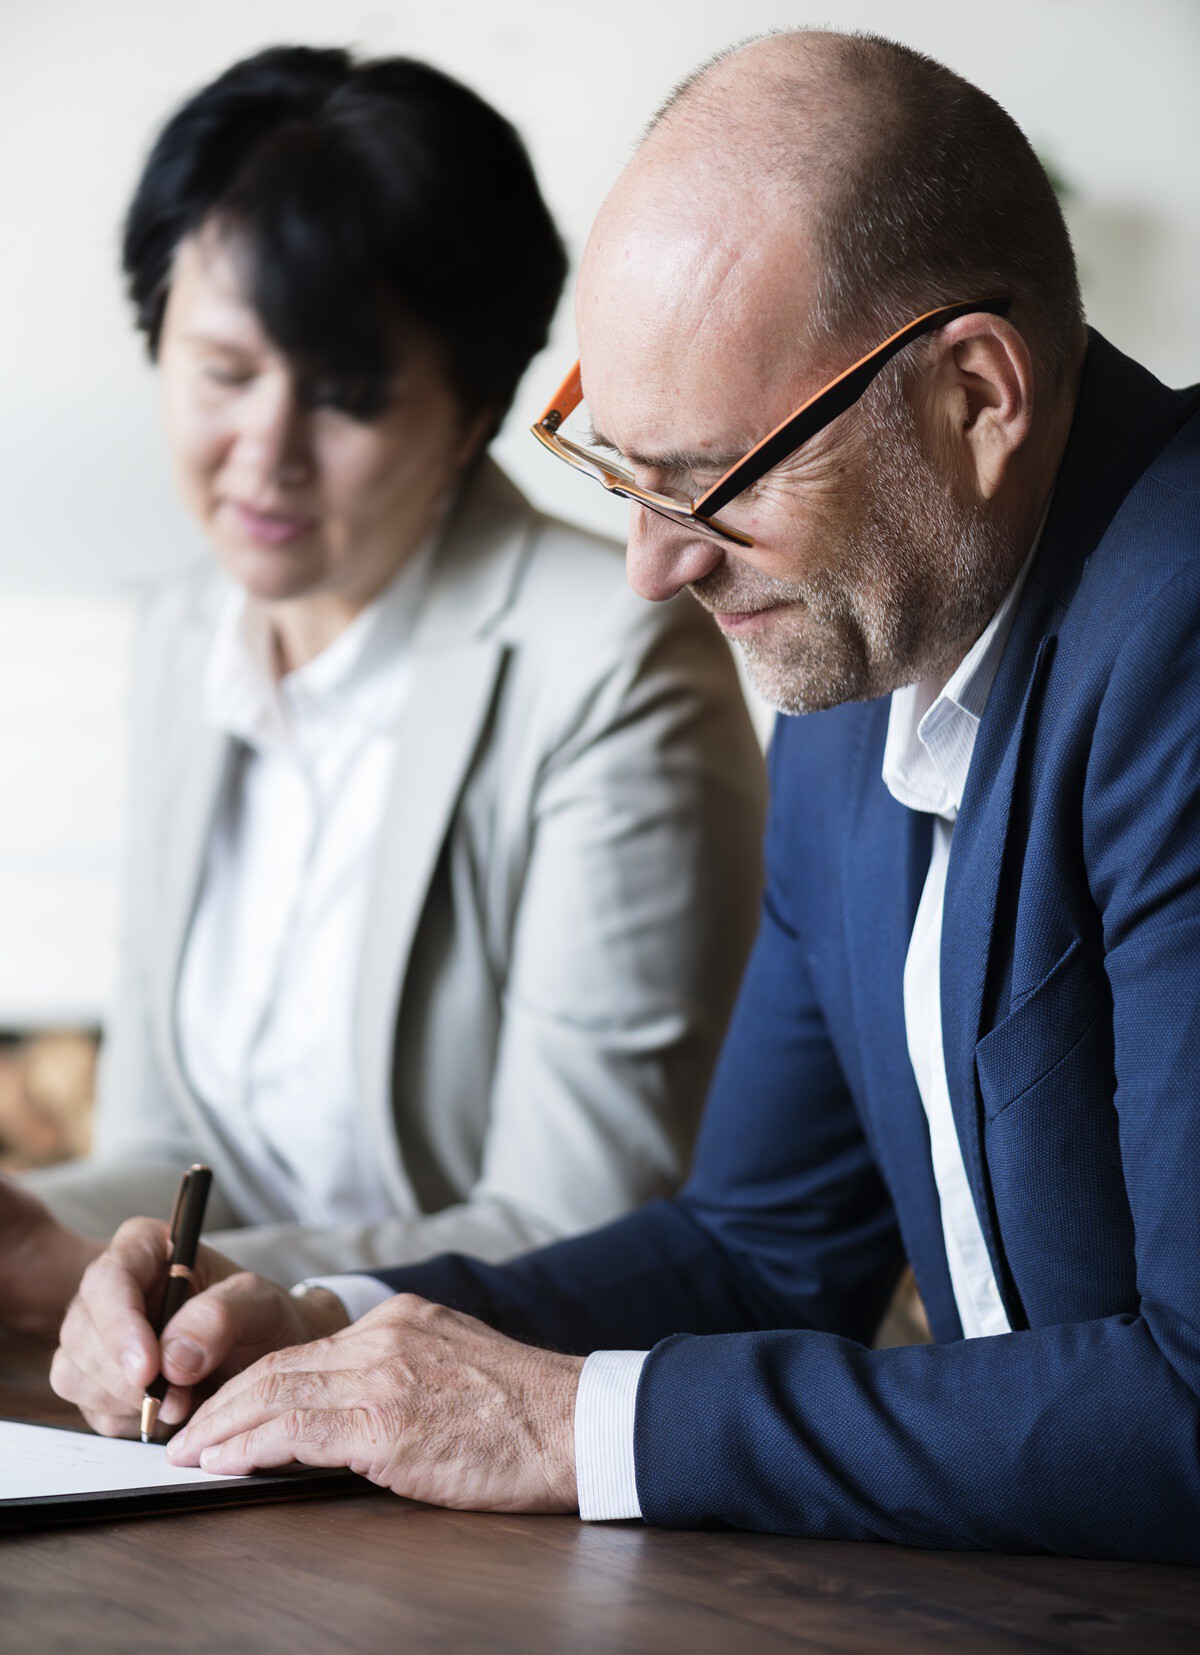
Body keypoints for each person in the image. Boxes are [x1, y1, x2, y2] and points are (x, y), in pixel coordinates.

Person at [49, 30, 1200, 1563]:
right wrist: (331, 1329)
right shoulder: (859, 679)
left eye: (710, 482)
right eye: (622, 473)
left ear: (975, 397)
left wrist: (571, 1422)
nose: (653, 567)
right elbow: (759, 1249)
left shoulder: (1178, 628)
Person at [0, 47, 766, 1340]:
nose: (267, 456)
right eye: (226, 373)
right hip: (213, 1410)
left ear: (472, 410)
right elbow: (172, 1152)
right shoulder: (184, 637)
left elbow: (582, 1224)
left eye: (348, 394)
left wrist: (114, 1274)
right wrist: (41, 1229)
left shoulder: (614, 660)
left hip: (493, 1433)